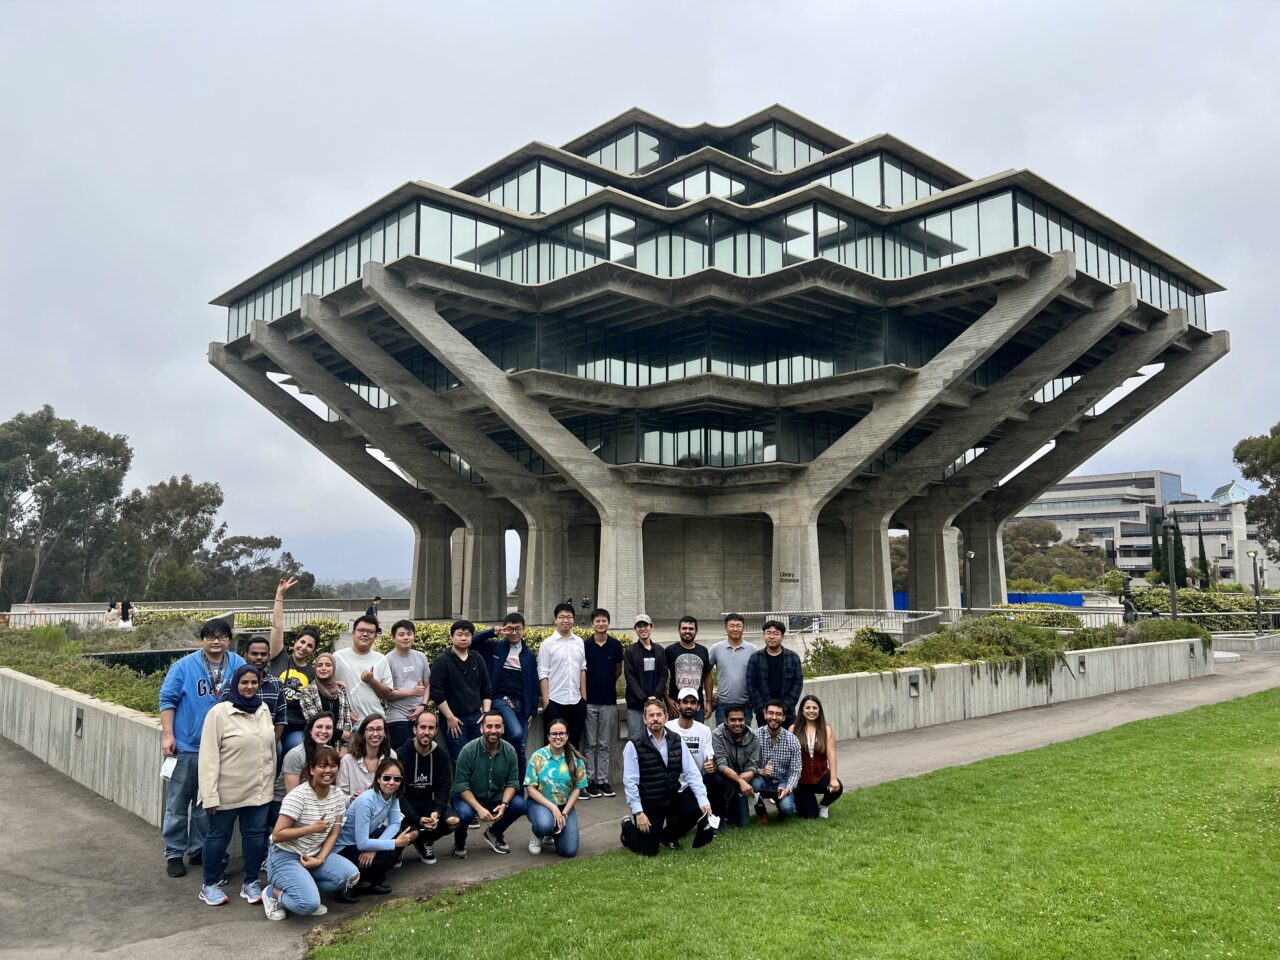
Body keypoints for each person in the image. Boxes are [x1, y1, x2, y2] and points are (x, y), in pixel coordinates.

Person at [159, 617, 245, 878]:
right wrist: (168, 736)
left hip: (221, 749)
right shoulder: (184, 666)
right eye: (210, 636)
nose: (215, 641)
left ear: (229, 639)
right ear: (202, 640)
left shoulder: (238, 664)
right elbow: (167, 699)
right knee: (177, 804)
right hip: (187, 747)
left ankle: (198, 849)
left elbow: (250, 694)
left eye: (221, 636)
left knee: (205, 805)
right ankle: (174, 852)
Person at [196, 663, 277, 907]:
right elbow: (208, 756)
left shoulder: (262, 709)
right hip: (226, 791)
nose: (250, 687)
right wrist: (209, 795)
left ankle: (250, 882)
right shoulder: (219, 713)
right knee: (218, 837)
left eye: (254, 682)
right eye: (245, 682)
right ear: (235, 684)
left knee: (254, 838)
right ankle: (209, 885)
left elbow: (270, 749)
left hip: (259, 790)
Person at [262, 745, 359, 921]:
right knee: (308, 905)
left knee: (350, 876)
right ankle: (272, 892)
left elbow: (333, 834)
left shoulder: (337, 795)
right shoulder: (298, 796)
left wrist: (320, 859)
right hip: (285, 855)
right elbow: (277, 835)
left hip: (313, 853)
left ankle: (305, 888)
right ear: (311, 770)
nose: (328, 770)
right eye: (322, 766)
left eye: (333, 766)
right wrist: (312, 828)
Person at [620, 698, 713, 857]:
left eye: (659, 715)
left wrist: (703, 800)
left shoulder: (676, 740)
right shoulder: (634, 745)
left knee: (695, 809)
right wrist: (638, 812)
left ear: (666, 717)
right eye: (651, 715)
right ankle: (627, 828)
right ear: (644, 719)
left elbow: (691, 773)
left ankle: (668, 836)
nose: (655, 719)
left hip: (671, 795)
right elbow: (630, 782)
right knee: (648, 851)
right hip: (649, 802)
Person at [335, 757, 419, 896]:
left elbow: (395, 824)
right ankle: (352, 885)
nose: (391, 783)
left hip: (363, 840)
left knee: (398, 838)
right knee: (390, 852)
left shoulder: (393, 795)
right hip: (345, 847)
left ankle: (370, 882)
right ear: (378, 779)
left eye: (397, 779)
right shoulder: (366, 801)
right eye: (387, 778)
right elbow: (362, 843)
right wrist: (394, 843)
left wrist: (375, 848)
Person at [450, 711, 527, 859]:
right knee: (465, 814)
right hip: (467, 797)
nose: (493, 730)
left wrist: (504, 804)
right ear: (482, 728)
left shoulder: (510, 751)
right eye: (489, 726)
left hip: (494, 797)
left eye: (497, 726)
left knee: (519, 804)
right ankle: (459, 843)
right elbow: (460, 786)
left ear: (503, 729)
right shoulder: (468, 750)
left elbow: (512, 783)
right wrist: (478, 809)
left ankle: (494, 833)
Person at [473, 612, 538, 775]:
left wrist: (533, 710)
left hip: (521, 705)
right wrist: (492, 632)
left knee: (521, 748)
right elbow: (472, 642)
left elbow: (533, 683)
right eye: (510, 629)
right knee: (516, 733)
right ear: (505, 629)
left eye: (518, 629)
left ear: (524, 630)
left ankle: (520, 789)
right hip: (500, 700)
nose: (514, 633)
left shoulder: (528, 655)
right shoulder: (495, 647)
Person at [394, 710, 461, 864]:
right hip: (403, 808)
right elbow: (398, 794)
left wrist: (436, 812)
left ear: (436, 731)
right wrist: (417, 820)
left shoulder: (441, 755)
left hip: (426, 806)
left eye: (431, 728)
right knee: (410, 833)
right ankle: (398, 849)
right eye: (422, 727)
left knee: (454, 821)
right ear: (414, 729)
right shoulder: (400, 755)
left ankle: (425, 841)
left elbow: (443, 790)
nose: (426, 732)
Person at [429, 619, 493, 763]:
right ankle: (462, 787)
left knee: (481, 758)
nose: (463, 638)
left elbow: (486, 687)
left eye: (467, 634)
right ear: (452, 637)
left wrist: (487, 713)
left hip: (477, 718)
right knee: (460, 760)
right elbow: (436, 692)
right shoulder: (443, 661)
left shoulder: (477, 658)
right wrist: (450, 717)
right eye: (459, 634)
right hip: (455, 721)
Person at [524, 718, 588, 857]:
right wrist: (553, 809)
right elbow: (530, 788)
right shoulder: (538, 756)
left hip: (564, 806)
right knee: (544, 824)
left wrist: (564, 813)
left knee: (569, 851)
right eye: (554, 734)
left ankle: (554, 832)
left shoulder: (575, 759)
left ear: (567, 735)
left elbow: (577, 788)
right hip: (539, 804)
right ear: (548, 736)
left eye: (561, 733)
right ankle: (539, 833)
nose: (558, 737)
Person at [266, 577, 316, 752]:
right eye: (302, 642)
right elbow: (277, 627)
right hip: (272, 720)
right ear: (295, 642)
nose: (304, 647)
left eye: (310, 646)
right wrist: (279, 595)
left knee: (299, 749)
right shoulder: (279, 657)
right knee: (275, 750)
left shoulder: (312, 672)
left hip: (296, 725)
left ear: (313, 651)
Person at [582, 607, 624, 798]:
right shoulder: (584, 645)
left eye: (604, 621)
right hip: (589, 701)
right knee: (590, 743)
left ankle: (602, 780)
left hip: (608, 701)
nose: (601, 624)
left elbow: (618, 670)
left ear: (608, 623)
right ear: (592, 624)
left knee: (604, 743)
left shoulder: (615, 645)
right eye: (597, 621)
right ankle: (590, 780)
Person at [539, 602, 587, 751]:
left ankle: (572, 774)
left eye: (569, 617)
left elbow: (582, 669)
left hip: (576, 702)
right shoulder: (547, 645)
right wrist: (547, 702)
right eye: (561, 617)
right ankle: (550, 775)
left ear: (574, 619)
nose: (565, 620)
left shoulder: (579, 642)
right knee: (552, 746)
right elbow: (543, 673)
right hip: (555, 702)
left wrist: (584, 699)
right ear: (555, 620)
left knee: (574, 745)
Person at [222, 636, 286, 745]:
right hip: (239, 739)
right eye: (254, 654)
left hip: (268, 738)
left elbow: (281, 719)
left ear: (269, 657)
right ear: (246, 656)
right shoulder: (233, 683)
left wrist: (272, 745)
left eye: (263, 654)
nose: (259, 657)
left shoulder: (277, 685)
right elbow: (223, 715)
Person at [380, 619, 430, 753]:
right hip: (397, 718)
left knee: (421, 754)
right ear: (393, 638)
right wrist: (412, 692)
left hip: (420, 716)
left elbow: (427, 684)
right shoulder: (387, 660)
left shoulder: (421, 656)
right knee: (401, 757)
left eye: (409, 634)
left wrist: (423, 706)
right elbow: (386, 693)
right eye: (401, 634)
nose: (406, 637)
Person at [791, 694, 844, 819]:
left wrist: (833, 778)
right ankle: (798, 801)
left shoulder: (826, 730)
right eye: (807, 708)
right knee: (810, 816)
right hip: (801, 780)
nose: (811, 711)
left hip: (820, 776)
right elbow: (789, 757)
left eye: (814, 708)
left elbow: (831, 754)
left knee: (837, 788)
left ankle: (824, 805)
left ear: (819, 711)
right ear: (802, 711)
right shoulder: (793, 729)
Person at [709, 706, 762, 828]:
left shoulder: (754, 737)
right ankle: (719, 817)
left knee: (743, 824)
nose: (737, 723)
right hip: (724, 779)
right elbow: (721, 765)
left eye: (740, 720)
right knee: (714, 778)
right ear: (726, 721)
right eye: (733, 720)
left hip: (744, 780)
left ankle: (738, 810)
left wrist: (748, 774)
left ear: (745, 720)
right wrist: (739, 781)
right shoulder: (717, 735)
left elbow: (753, 764)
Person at [746, 620, 804, 726]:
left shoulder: (793, 657)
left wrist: (784, 708)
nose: (771, 637)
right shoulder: (755, 658)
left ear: (782, 636)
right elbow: (751, 685)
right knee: (765, 742)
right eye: (768, 633)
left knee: (788, 741)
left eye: (776, 633)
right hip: (764, 715)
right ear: (764, 635)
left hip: (787, 714)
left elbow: (797, 683)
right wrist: (763, 708)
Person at [665, 688, 716, 808]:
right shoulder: (667, 728)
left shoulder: (705, 730)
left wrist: (711, 765)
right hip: (673, 783)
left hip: (697, 782)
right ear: (677, 705)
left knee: (717, 779)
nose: (689, 706)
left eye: (693, 703)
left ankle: (716, 816)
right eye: (685, 702)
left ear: (698, 707)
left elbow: (710, 759)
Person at [332, 614, 388, 724]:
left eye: (370, 632)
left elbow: (386, 694)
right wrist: (345, 711)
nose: (365, 634)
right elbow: (326, 688)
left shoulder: (381, 659)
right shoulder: (338, 657)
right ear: (353, 634)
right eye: (361, 630)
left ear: (375, 636)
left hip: (375, 722)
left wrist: (371, 681)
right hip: (346, 722)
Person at [754, 700, 801, 823]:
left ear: (784, 717)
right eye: (770, 713)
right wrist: (761, 771)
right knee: (753, 783)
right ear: (765, 715)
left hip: (782, 782)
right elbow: (747, 765)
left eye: (778, 714)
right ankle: (761, 812)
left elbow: (796, 771)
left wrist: (789, 788)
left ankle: (783, 810)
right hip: (761, 779)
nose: (774, 717)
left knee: (788, 808)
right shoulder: (755, 736)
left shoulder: (793, 740)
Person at [623, 614, 668, 735]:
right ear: (635, 630)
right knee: (636, 738)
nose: (642, 629)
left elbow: (664, 674)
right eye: (639, 626)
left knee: (656, 737)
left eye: (645, 625)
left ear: (651, 627)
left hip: (656, 705)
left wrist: (656, 695)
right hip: (636, 706)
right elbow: (630, 677)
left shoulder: (659, 650)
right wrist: (644, 698)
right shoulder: (630, 652)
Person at [709, 613, 758, 725]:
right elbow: (706, 672)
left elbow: (758, 676)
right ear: (726, 628)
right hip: (722, 703)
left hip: (746, 704)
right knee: (722, 738)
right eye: (731, 626)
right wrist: (710, 693)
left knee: (744, 739)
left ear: (743, 628)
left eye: (738, 626)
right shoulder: (716, 648)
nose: (735, 629)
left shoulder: (753, 650)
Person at [300, 652, 354, 750]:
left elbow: (347, 721)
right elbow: (314, 722)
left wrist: (344, 746)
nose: (323, 668)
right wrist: (341, 734)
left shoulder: (340, 692)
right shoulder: (308, 692)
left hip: (339, 747)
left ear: (333, 668)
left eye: (328, 665)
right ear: (315, 669)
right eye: (319, 665)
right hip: (316, 747)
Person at [666, 616, 712, 721]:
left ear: (696, 631)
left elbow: (707, 676)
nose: (687, 631)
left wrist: (708, 702)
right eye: (684, 628)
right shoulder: (670, 650)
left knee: (697, 736)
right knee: (674, 737)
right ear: (679, 630)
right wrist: (667, 699)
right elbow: (662, 675)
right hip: (676, 706)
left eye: (691, 629)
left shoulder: (703, 650)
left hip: (697, 706)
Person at [338, 713, 390, 801]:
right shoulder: (348, 760)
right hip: (356, 811)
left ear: (385, 733)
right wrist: (353, 798)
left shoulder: (391, 756)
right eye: (370, 729)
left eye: (379, 729)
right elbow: (340, 796)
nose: (375, 733)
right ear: (363, 734)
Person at [282, 712, 337, 794]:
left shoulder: (330, 752)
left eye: (328, 728)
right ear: (311, 730)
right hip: (287, 801)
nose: (324, 731)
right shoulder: (295, 755)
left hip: (315, 798)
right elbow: (292, 794)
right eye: (319, 727)